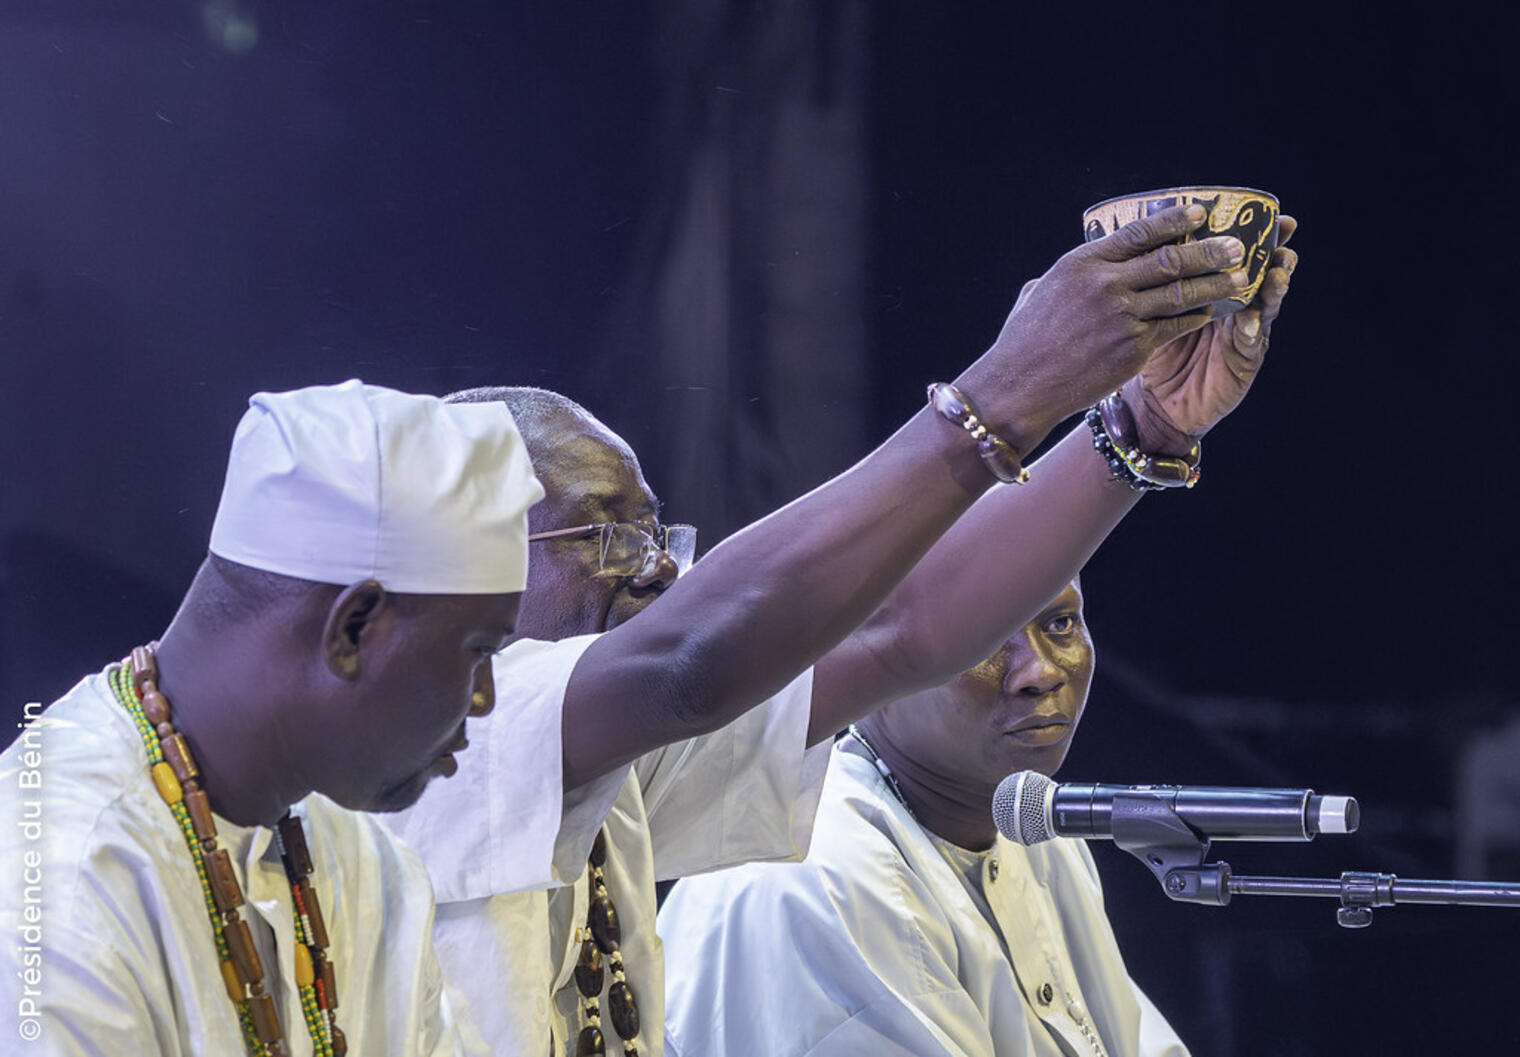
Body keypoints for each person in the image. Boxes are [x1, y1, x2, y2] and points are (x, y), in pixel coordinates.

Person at [385, 208, 1298, 1055]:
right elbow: (718, 656)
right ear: (466, 565)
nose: (658, 567)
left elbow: (897, 638)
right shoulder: (445, 743)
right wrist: (1012, 385)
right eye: (607, 534)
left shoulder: (613, 774)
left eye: (660, 534)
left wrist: (1141, 425)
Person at [0, 381, 541, 1055]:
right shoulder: (56, 883)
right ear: (354, 627)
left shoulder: (368, 866)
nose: (484, 697)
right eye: (480, 650)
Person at [657, 581, 1189, 1056]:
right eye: (980, 637)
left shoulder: (1030, 825)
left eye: (1060, 623)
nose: (1042, 672)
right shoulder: (811, 876)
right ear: (864, 661)